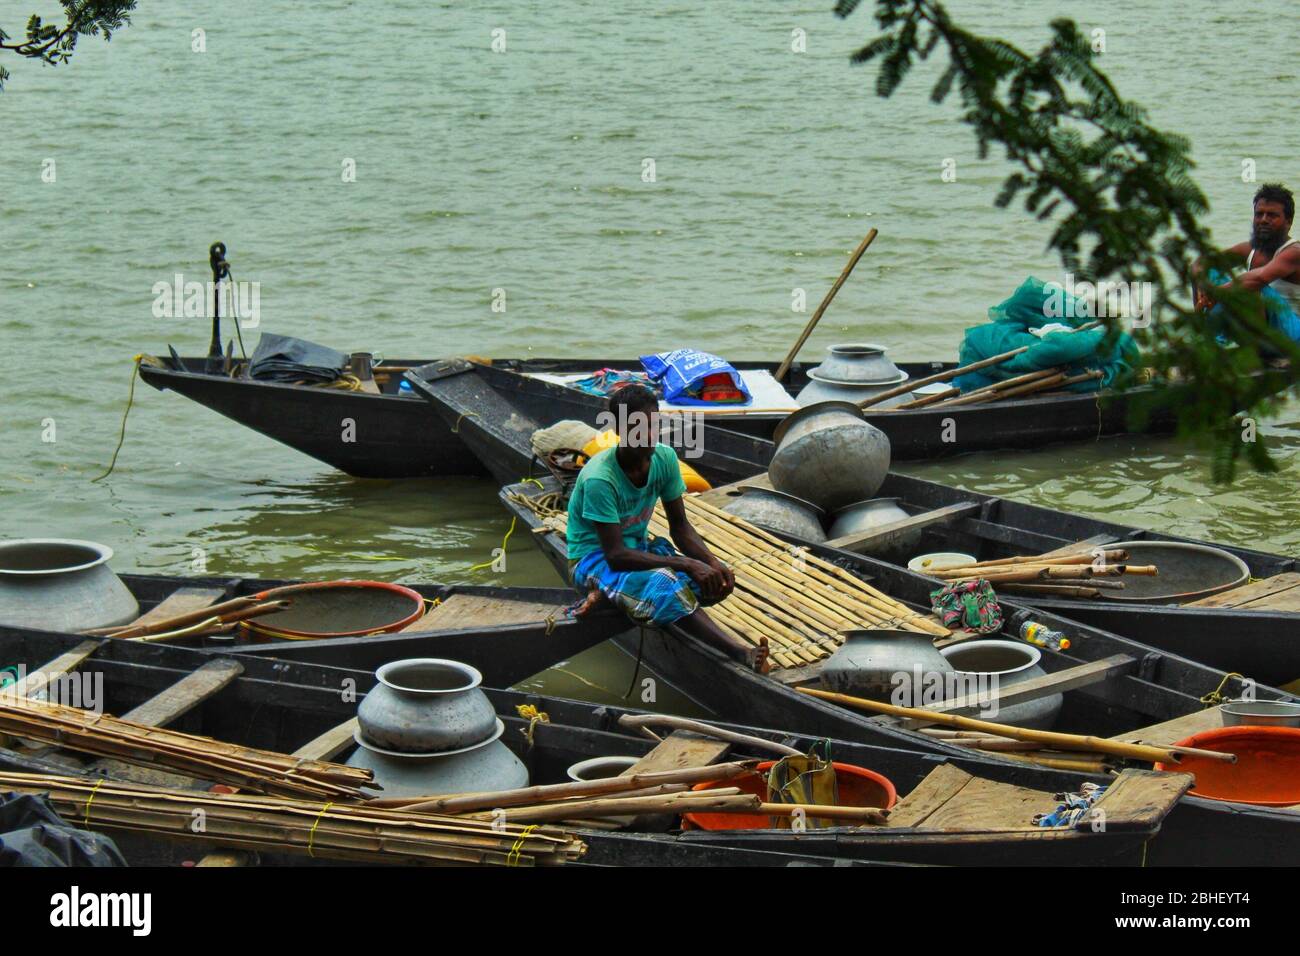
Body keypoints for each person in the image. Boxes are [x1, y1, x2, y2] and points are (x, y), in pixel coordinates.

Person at [565, 384, 770, 673]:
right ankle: (740, 653)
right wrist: (685, 563)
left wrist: (709, 562)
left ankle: (613, 599)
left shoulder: (664, 458)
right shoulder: (601, 478)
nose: (648, 435)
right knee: (665, 583)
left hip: (637, 551)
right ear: (619, 431)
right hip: (593, 560)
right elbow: (615, 555)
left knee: (713, 582)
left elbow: (681, 528)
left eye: (652, 425)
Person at [1195, 184, 1300, 330]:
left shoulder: (1294, 252)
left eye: (1272, 215)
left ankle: (1259, 348)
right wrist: (1202, 284)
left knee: (1252, 286)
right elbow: (1201, 263)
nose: (1263, 220)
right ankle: (1204, 333)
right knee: (1207, 272)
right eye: (1259, 214)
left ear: (1288, 222)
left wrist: (1216, 293)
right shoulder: (1248, 249)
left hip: (1294, 334)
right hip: (1262, 327)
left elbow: (1259, 279)